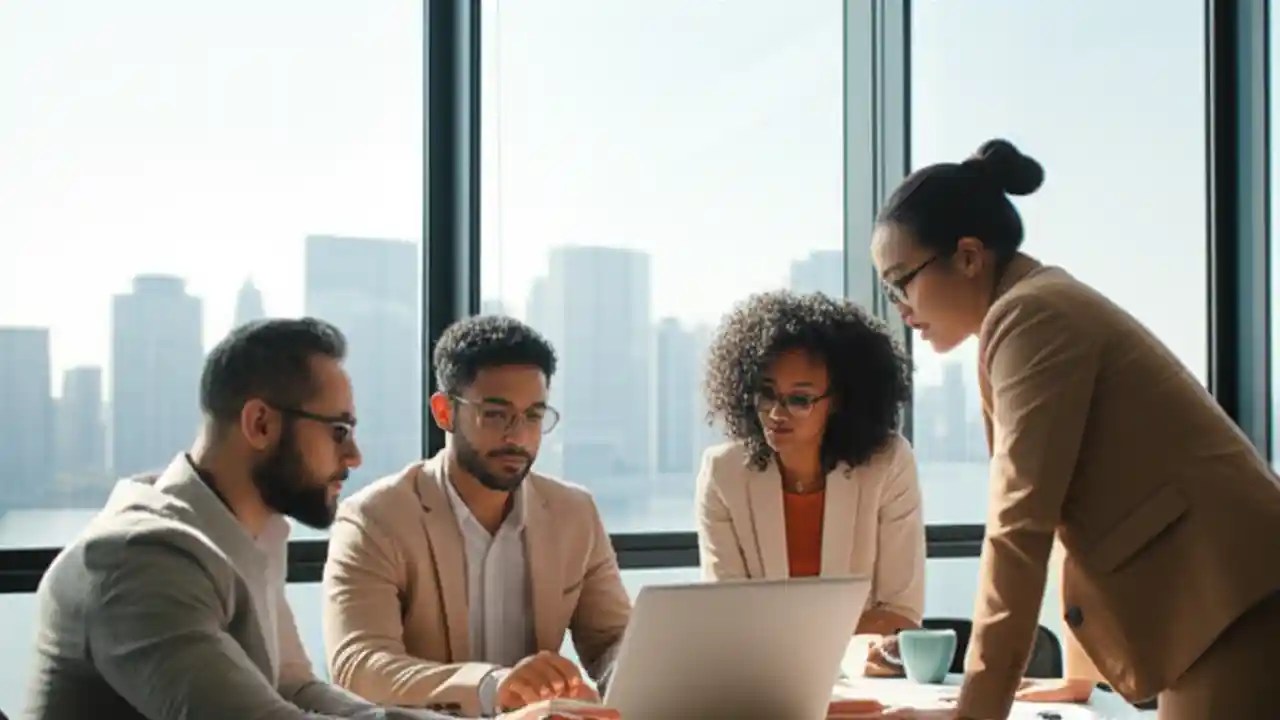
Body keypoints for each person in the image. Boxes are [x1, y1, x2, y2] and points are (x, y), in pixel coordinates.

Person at [870, 138, 1280, 719]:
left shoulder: (1032, 317)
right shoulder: (1039, 306)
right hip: (1227, 598)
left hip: (1237, 603)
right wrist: (1077, 678)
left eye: (900, 282)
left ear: (967, 256)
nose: (900, 308)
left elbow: (1020, 526)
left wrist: (976, 710)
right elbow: (1075, 513)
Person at [24, 318, 616, 720]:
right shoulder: (144, 557)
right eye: (338, 431)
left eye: (534, 415)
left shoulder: (242, 533)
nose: (354, 456)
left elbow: (298, 690)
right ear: (259, 425)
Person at [323, 315, 630, 717]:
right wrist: (492, 685)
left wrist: (630, 675)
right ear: (444, 412)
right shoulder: (375, 519)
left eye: (534, 416)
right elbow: (358, 665)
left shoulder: (574, 514)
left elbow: (612, 640)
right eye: (496, 414)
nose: (518, 437)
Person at [695, 290, 925, 672]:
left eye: (799, 400)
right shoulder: (724, 473)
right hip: (761, 682)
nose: (775, 413)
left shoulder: (888, 463)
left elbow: (901, 614)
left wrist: (791, 641)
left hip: (863, 682)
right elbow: (729, 619)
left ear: (839, 400)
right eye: (766, 394)